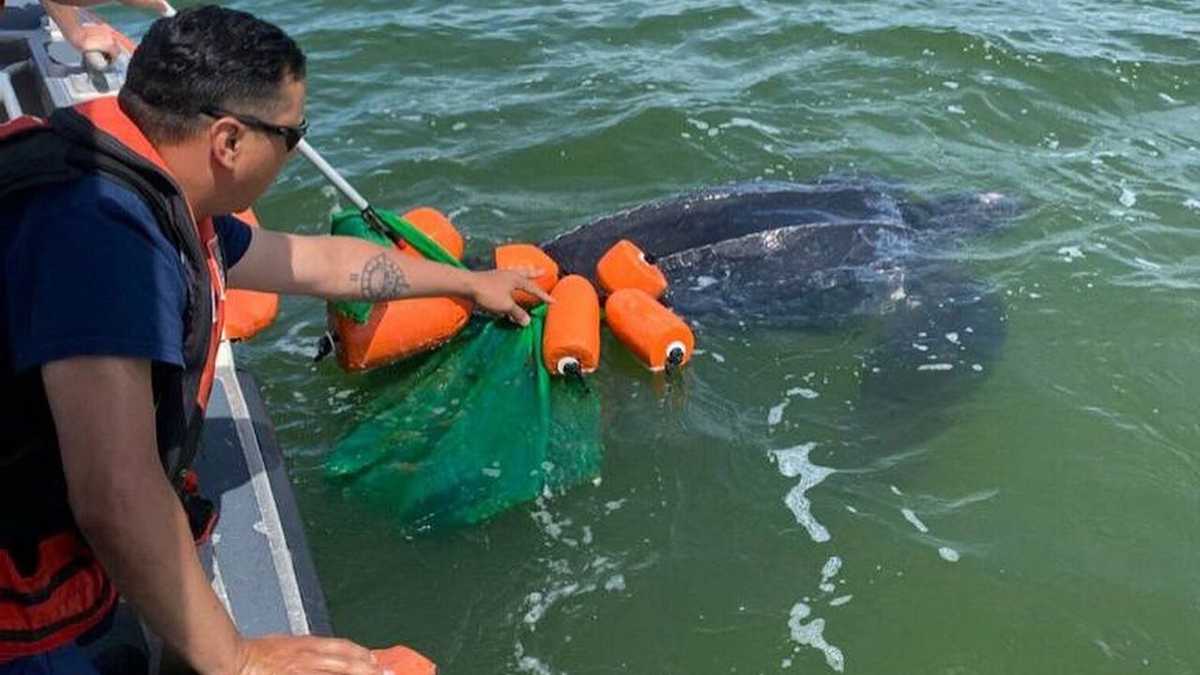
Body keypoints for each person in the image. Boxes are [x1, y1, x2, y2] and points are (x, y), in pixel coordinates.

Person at [0, 5, 550, 674]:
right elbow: (114, 493)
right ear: (228, 141)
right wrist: (236, 658)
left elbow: (316, 262)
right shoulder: (103, 229)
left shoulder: (148, 178)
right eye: (293, 133)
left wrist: (466, 284)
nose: (294, 149)